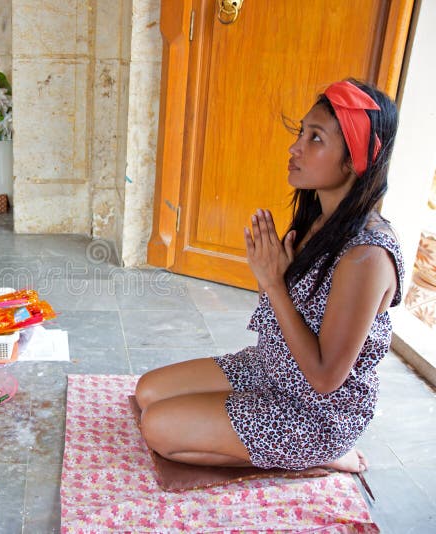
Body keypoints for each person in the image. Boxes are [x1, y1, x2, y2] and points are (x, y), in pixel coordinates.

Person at [134, 79, 403, 474]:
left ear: (353, 160)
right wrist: (268, 279)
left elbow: (325, 378)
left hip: (314, 413)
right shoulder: (318, 219)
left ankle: (316, 455)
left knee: (157, 426)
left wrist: (275, 284)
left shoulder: (367, 256)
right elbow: (281, 314)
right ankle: (278, 448)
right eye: (301, 132)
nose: (295, 148)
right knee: (147, 392)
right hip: (271, 367)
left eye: (315, 138)